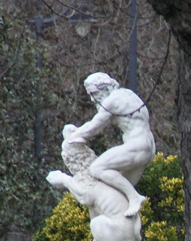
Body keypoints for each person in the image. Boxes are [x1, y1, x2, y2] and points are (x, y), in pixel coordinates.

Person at [64, 73, 156, 217]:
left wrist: (73, 135)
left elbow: (94, 127)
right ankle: (120, 229)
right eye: (90, 95)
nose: (93, 99)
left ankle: (134, 197)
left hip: (137, 145)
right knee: (116, 192)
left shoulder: (112, 100)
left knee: (97, 168)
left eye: (94, 93)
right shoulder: (128, 94)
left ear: (106, 88)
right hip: (147, 146)